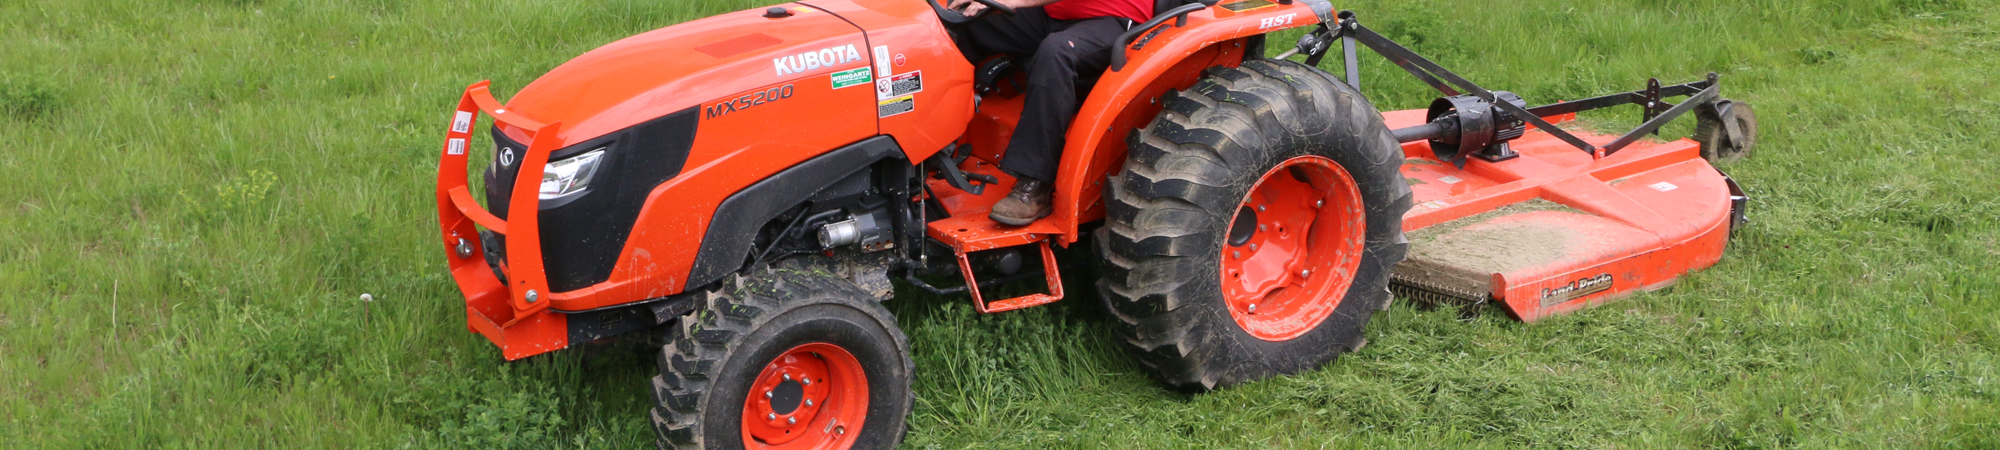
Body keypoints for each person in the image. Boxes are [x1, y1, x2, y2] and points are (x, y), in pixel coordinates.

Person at [948, 0, 1155, 226]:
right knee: (962, 20)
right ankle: (939, 140)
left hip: (1117, 19)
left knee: (1056, 52)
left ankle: (1035, 184)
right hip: (1054, 13)